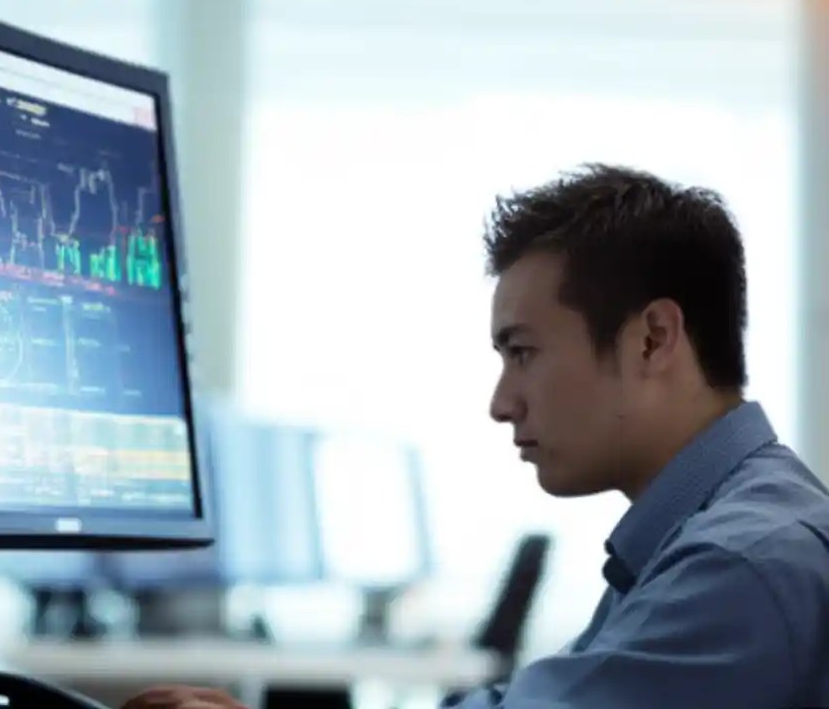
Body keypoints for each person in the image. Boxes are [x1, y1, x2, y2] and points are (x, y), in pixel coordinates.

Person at [122, 164, 829, 709]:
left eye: (523, 352)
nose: (501, 403)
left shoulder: (742, 565)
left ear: (652, 339)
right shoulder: (712, 536)